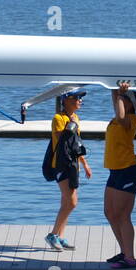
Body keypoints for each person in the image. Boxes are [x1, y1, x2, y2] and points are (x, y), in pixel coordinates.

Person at [104, 81, 136, 269]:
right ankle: (124, 251)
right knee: (110, 213)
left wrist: (122, 95)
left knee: (123, 215)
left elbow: (122, 116)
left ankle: (130, 258)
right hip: (115, 170)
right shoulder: (117, 116)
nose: (119, 101)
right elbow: (116, 104)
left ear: (129, 104)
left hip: (128, 170)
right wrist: (114, 84)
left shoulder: (132, 120)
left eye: (123, 100)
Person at [44, 90, 91, 249]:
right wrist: (70, 124)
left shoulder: (75, 118)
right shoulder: (58, 118)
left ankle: (60, 236)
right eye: (77, 98)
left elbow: (76, 144)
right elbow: (62, 141)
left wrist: (84, 164)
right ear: (66, 100)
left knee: (66, 201)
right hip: (62, 163)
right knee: (71, 202)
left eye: (80, 98)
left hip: (73, 163)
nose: (80, 101)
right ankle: (52, 235)